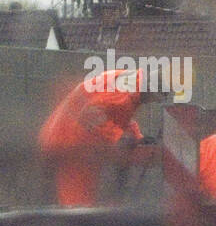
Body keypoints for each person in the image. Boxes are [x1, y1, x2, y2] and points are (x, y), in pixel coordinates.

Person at [38, 67, 164, 206]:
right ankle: (75, 225)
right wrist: (119, 136)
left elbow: (117, 115)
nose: (152, 102)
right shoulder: (125, 93)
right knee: (78, 202)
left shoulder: (128, 84)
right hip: (72, 143)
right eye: (154, 97)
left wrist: (137, 137)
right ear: (149, 89)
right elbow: (91, 114)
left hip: (71, 138)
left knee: (82, 199)